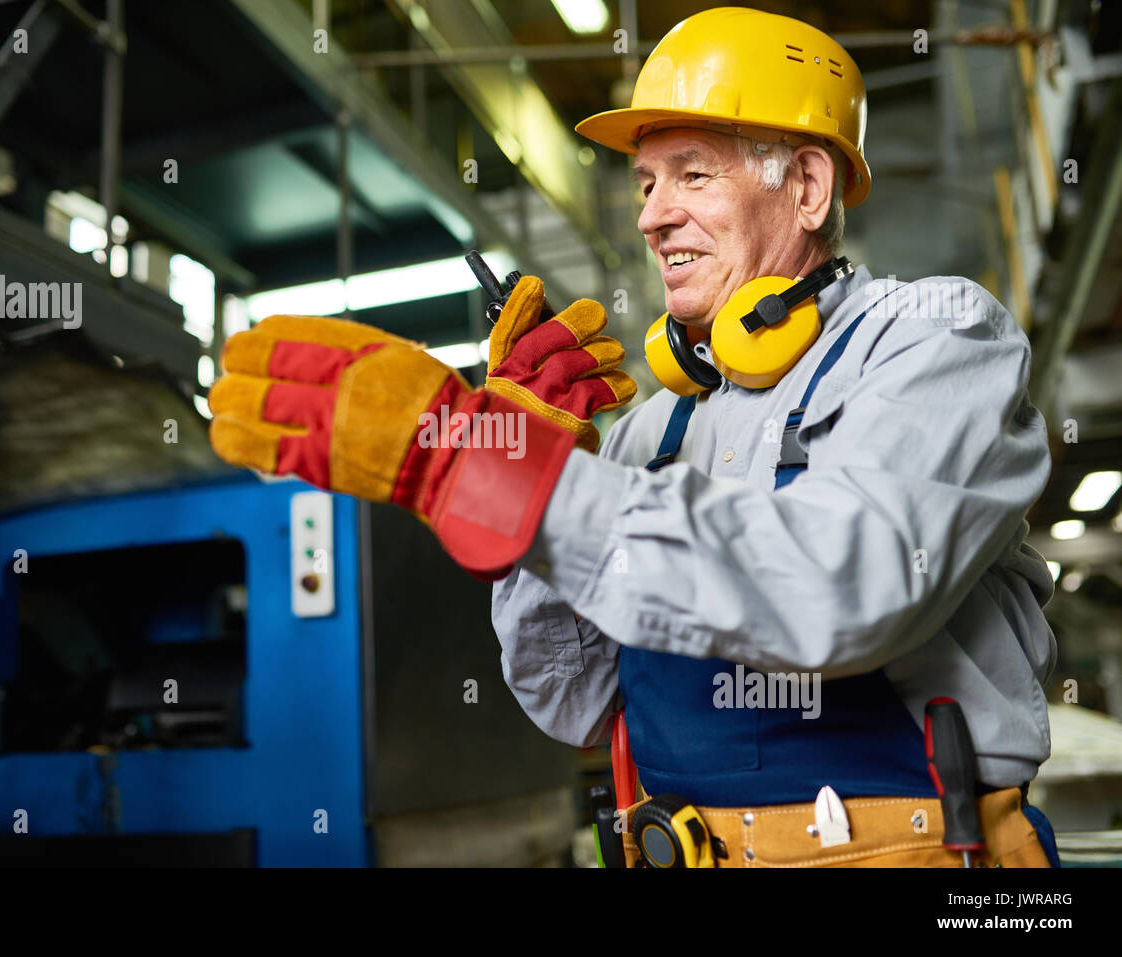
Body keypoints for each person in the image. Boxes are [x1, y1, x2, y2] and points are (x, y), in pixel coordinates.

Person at [208, 7, 1058, 867]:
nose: (653, 217)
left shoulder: (937, 340)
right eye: (647, 183)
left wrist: (482, 471)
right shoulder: (652, 426)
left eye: (692, 174)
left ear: (807, 186)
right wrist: (531, 449)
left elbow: (846, 585)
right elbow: (572, 697)